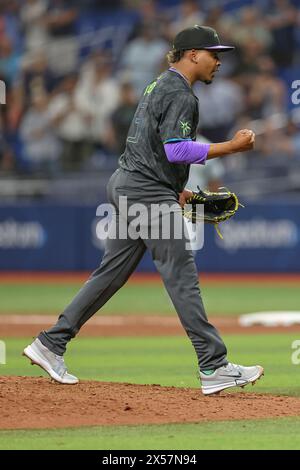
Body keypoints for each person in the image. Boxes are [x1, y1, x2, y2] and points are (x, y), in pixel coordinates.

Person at [23, 26, 263, 396]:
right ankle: (213, 365)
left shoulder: (158, 85)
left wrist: (175, 190)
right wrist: (229, 147)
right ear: (192, 54)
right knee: (182, 275)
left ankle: (50, 344)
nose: (219, 61)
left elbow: (150, 148)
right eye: (214, 54)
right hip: (145, 193)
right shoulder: (180, 93)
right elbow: (175, 150)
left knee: (109, 274)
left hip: (132, 185)